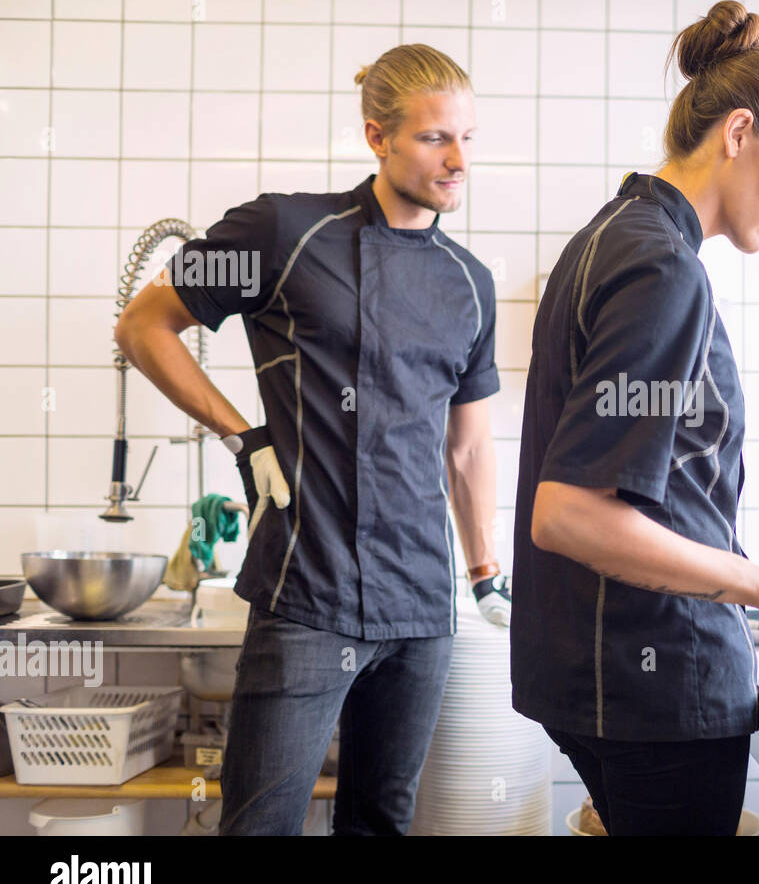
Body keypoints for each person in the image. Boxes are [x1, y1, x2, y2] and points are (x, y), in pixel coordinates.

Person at [114, 44, 510, 835]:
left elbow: (466, 447)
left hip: (422, 610)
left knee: (380, 824)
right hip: (308, 597)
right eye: (436, 138)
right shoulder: (286, 232)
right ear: (378, 137)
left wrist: (485, 571)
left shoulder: (469, 282)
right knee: (261, 825)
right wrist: (241, 436)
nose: (459, 159)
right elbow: (145, 325)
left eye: (468, 137)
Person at [511, 0, 759, 836]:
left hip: (596, 677)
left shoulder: (610, 238)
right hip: (654, 687)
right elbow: (570, 513)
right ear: (740, 132)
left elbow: (648, 489)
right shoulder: (661, 266)